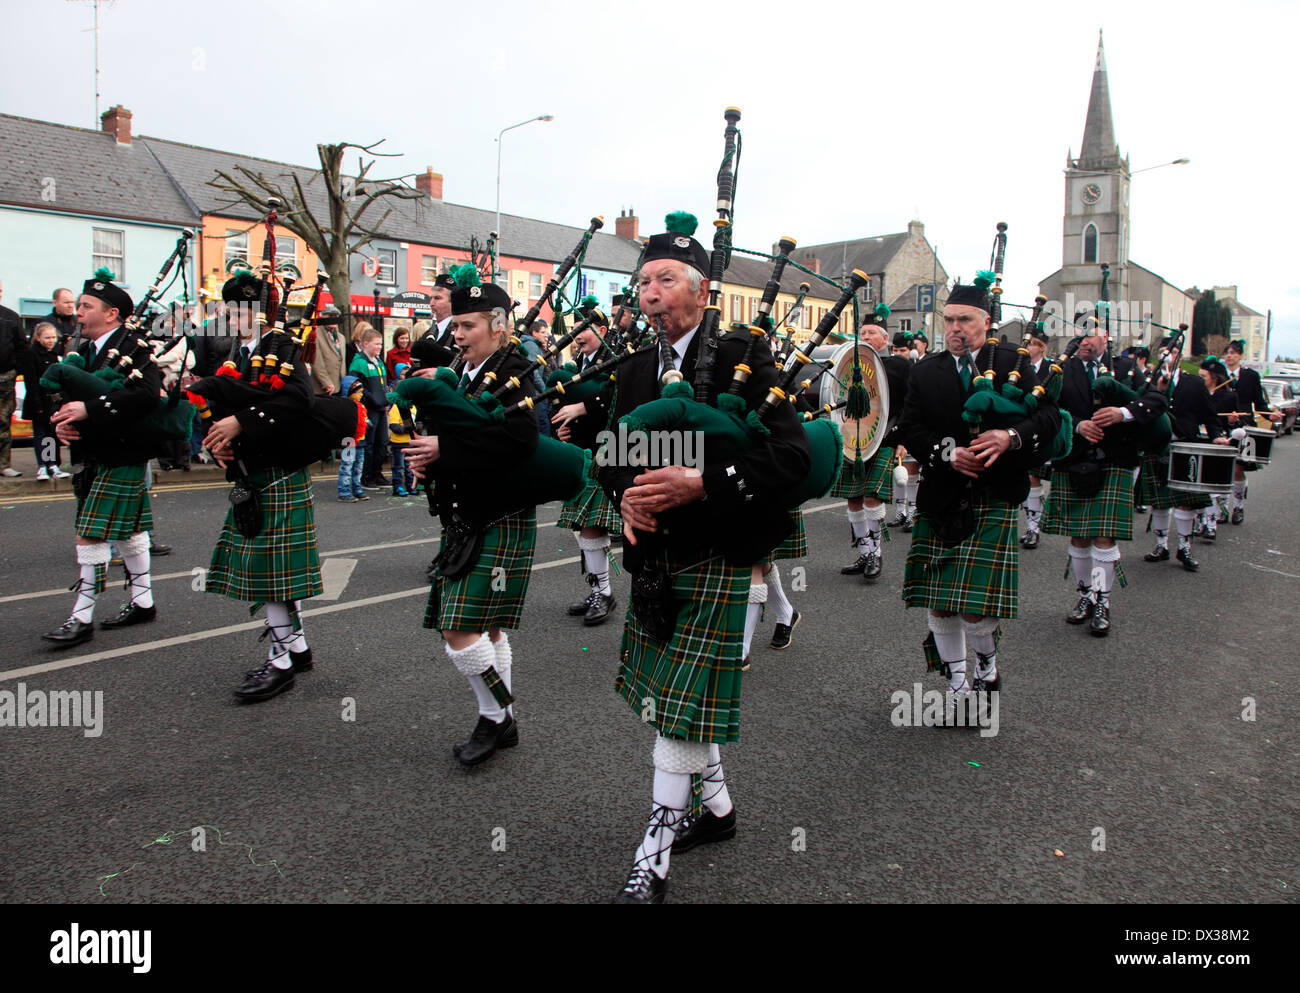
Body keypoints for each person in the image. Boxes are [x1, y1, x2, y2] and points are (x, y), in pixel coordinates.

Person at [594, 213, 811, 903]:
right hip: (657, 558)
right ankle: (715, 809)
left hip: (720, 550)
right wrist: (626, 496)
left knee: (678, 715)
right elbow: (611, 454)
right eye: (644, 280)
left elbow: (790, 459)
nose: (650, 291)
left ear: (699, 290)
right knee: (679, 705)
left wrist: (701, 482)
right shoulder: (634, 367)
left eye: (664, 279)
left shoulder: (746, 354)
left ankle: (653, 853)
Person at [895, 272, 1061, 716]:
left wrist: (1010, 435)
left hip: (994, 493)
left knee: (973, 608)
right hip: (944, 492)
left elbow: (1049, 418)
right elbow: (910, 428)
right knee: (941, 601)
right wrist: (948, 454)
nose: (954, 328)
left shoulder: (1014, 361)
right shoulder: (926, 370)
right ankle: (957, 685)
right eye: (948, 319)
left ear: (986, 322)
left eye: (964, 319)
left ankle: (986, 662)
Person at [406, 266, 539, 767]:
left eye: (468, 327)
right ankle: (500, 718)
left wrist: (447, 447)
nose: (457, 335)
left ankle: (497, 715)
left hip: (497, 511)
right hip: (466, 511)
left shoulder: (512, 370)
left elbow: (518, 440)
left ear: (499, 324)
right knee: (488, 627)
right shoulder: (466, 371)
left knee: (456, 628)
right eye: (456, 326)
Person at [201, 268, 324, 701]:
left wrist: (242, 421)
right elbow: (220, 404)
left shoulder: (283, 346)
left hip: (278, 474)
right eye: (230, 308)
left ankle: (281, 662)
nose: (236, 316)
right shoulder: (238, 353)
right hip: (248, 476)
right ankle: (298, 648)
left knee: (269, 574)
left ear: (264, 310)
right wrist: (217, 440)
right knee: (271, 570)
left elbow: (298, 399)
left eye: (245, 308)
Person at [43, 269, 162, 646]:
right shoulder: (84, 350)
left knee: (89, 533)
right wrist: (63, 423)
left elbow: (147, 395)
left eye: (86, 306)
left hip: (122, 451)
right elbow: (70, 399)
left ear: (111, 313)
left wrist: (90, 409)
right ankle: (144, 602)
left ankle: (82, 617)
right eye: (77, 305)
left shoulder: (135, 347)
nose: (77, 312)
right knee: (129, 533)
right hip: (93, 452)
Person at [1040, 320, 1164, 635]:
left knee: (1103, 538)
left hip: (1115, 460)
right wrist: (1078, 425)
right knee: (1080, 536)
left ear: (1105, 338)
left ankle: (1101, 600)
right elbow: (1048, 408)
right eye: (1078, 334)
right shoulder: (1061, 370)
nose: (1083, 340)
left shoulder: (1127, 367)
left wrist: (1124, 413)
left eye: (1090, 334)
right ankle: (1084, 597)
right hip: (1074, 460)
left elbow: (1158, 401)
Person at [549, 309, 619, 626]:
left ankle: (603, 592)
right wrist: (563, 430)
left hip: (610, 451)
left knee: (592, 527)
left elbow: (613, 396)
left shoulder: (615, 357)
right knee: (586, 527)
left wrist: (581, 406)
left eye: (584, 329)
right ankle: (599, 591)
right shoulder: (578, 364)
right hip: (583, 452)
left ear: (602, 329)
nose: (577, 335)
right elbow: (568, 409)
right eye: (574, 330)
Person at [1138, 335, 1229, 572]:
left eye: (1174, 350)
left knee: (1185, 504)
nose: (1168, 354)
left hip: (1184, 446)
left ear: (1180, 354)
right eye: (1164, 350)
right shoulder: (1149, 380)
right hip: (1156, 446)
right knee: (1159, 502)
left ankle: (1184, 548)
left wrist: (1217, 435)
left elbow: (1210, 415)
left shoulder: (1194, 383)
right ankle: (1161, 546)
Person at [832, 309, 910, 583]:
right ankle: (865, 552)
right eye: (862, 333)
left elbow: (910, 405)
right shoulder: (849, 364)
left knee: (871, 497)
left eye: (871, 333)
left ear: (884, 338)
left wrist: (903, 439)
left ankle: (876, 553)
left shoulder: (899, 366)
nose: (865, 336)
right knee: (853, 497)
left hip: (885, 437)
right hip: (854, 440)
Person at [1221, 339, 1282, 524]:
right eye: (1227, 353)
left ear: (1240, 356)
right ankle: (1221, 508)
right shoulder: (1218, 374)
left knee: (1238, 467)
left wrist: (1270, 415)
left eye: (1233, 353)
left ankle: (1238, 507)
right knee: (1222, 466)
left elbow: (1260, 403)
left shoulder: (1251, 376)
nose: (1229, 356)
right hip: (1221, 423)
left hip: (1244, 424)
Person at [1018, 323, 1053, 548]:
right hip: (1022, 429)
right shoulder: (1019, 366)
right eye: (1028, 343)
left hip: (1043, 429)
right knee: (1028, 478)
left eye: (1034, 344)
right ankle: (1030, 527)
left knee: (1036, 479)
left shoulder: (1051, 369)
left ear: (1042, 348)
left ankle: (1034, 526)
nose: (1029, 347)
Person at [21, 322, 70, 480]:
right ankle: (43, 465)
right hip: (39, 402)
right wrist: (37, 405)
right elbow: (31, 382)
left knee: (50, 434)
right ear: (38, 337)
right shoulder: (31, 354)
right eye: (47, 337)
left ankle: (53, 464)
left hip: (52, 402)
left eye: (53, 337)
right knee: (41, 434)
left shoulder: (54, 354)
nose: (51, 340)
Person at [349, 325, 389, 489]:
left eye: (380, 344)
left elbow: (383, 384)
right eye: (376, 344)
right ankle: (367, 477)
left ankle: (377, 473)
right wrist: (371, 399)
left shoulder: (379, 362)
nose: (379, 347)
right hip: (369, 409)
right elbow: (357, 387)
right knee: (370, 444)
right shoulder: (358, 363)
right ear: (365, 343)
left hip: (381, 408)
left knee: (382, 442)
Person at [0, 277, 27, 477]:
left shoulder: (11, 317)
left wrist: (14, 371)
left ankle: (3, 464)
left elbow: (21, 347)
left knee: (3, 422)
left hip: (5, 377)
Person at [336, 375, 368, 503]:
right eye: (358, 392)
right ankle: (344, 491)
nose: (361, 395)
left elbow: (365, 420)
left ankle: (357, 488)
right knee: (347, 467)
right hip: (348, 440)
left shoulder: (362, 406)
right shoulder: (345, 406)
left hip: (361, 440)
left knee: (358, 467)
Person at [387, 363, 415, 496]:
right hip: (399, 443)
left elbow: (417, 422)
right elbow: (394, 426)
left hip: (410, 442)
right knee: (398, 467)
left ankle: (410, 485)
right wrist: (406, 428)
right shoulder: (396, 408)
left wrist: (417, 427)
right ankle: (397, 486)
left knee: (410, 466)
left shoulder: (412, 407)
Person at [307, 304, 346, 397]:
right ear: (322, 317)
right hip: (322, 389)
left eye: (335, 316)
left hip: (339, 386)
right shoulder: (314, 335)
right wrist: (326, 382)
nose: (333, 319)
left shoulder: (341, 337)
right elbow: (316, 362)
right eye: (330, 316)